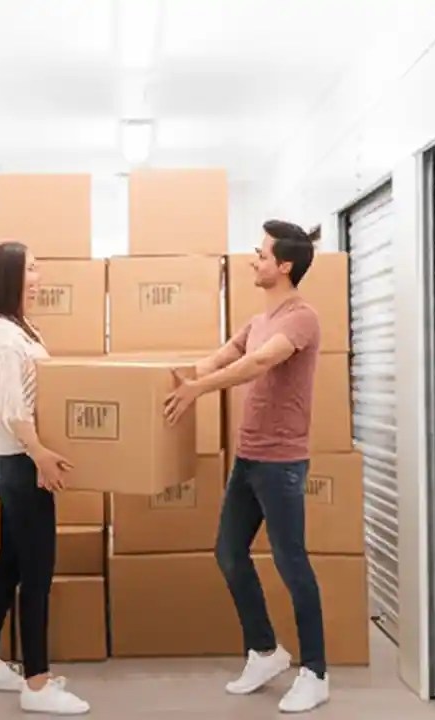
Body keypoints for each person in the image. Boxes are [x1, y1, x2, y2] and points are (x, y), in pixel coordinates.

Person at [163, 220, 329, 713]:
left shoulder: (302, 318)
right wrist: (169, 379)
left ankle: (316, 672)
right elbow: (222, 358)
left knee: (290, 561)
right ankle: (265, 651)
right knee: (229, 553)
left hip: (282, 464)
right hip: (249, 458)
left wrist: (197, 391)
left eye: (260, 255)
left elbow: (259, 364)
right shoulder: (258, 320)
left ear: (284, 265)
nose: (253, 261)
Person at [0, 241, 91, 716]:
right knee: (37, 573)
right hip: (18, 460)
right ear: (8, 275)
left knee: (11, 563)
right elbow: (15, 409)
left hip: (5, 458)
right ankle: (37, 685)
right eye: (32, 268)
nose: (38, 276)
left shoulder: (3, 328)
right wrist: (40, 455)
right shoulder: (0, 336)